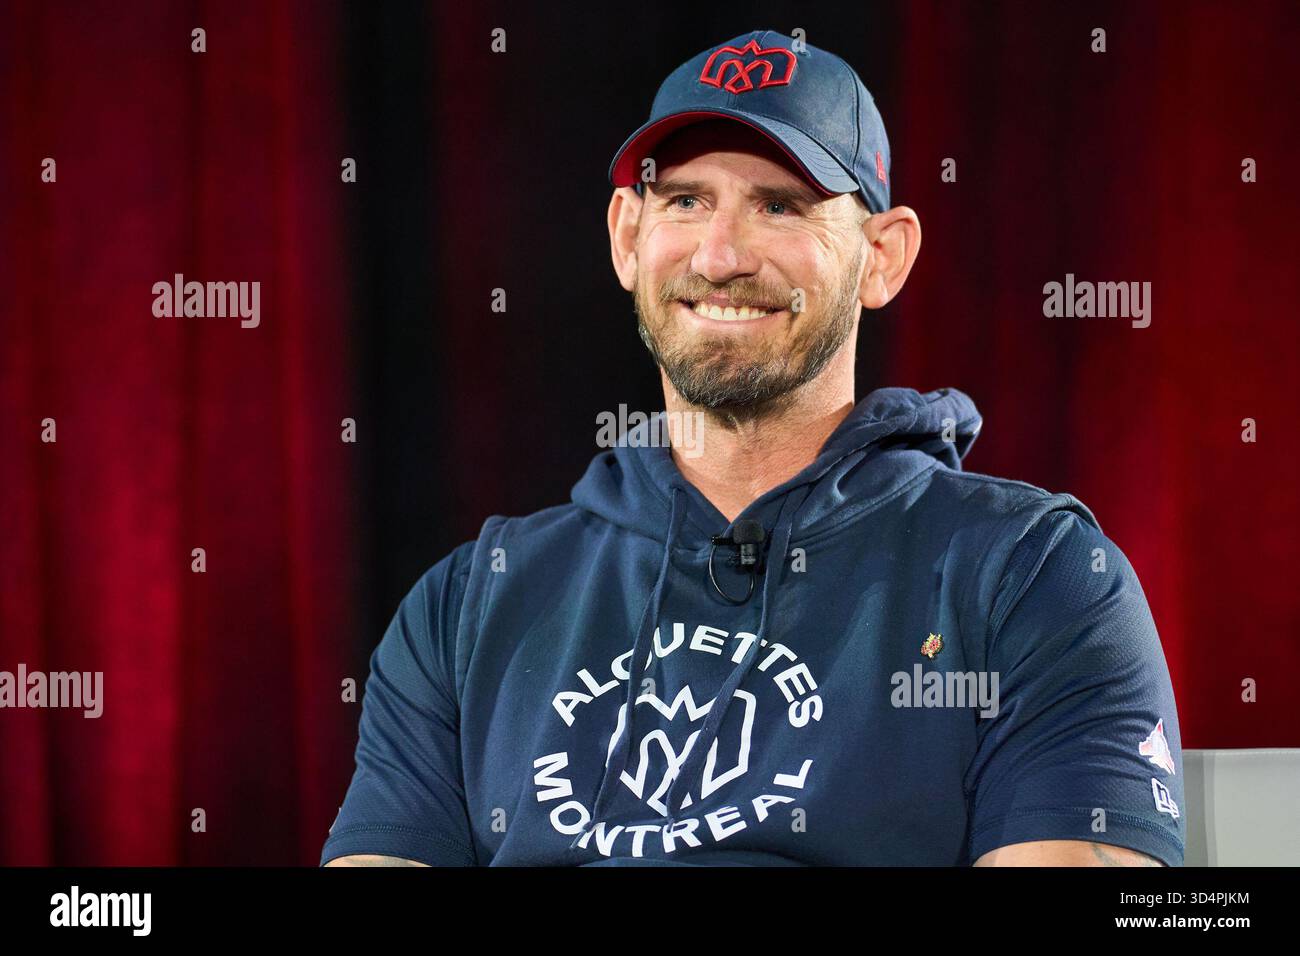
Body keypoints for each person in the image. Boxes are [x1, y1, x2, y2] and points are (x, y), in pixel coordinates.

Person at [321, 30, 1184, 867]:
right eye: (686, 200)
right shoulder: (468, 607)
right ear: (628, 236)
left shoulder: (1034, 579)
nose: (721, 254)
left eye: (781, 206)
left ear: (883, 258)